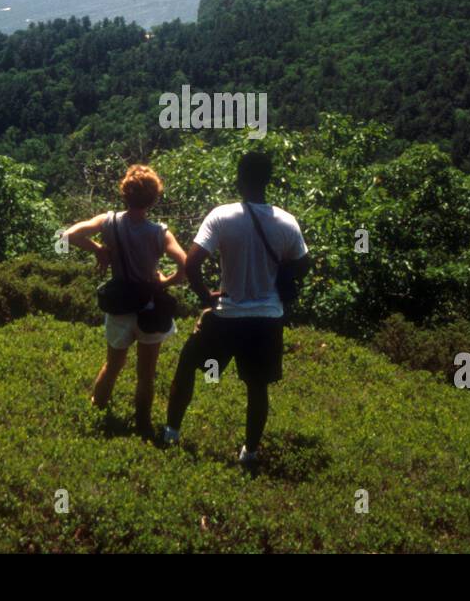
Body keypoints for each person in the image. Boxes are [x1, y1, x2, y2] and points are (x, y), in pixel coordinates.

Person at [159, 151, 310, 470]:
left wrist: (205, 297)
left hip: (226, 316)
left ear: (239, 179)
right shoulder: (287, 222)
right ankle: (249, 453)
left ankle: (171, 432)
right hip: (267, 319)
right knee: (257, 387)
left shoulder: (222, 216)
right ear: (268, 181)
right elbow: (302, 263)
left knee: (187, 366)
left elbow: (192, 262)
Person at [62, 165, 186, 437]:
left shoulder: (109, 222)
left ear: (124, 194)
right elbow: (186, 266)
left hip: (119, 306)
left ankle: (97, 409)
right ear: (153, 199)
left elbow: (69, 235)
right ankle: (143, 425)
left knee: (113, 364)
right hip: (149, 308)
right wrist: (165, 282)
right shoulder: (160, 232)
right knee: (146, 374)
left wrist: (99, 251)